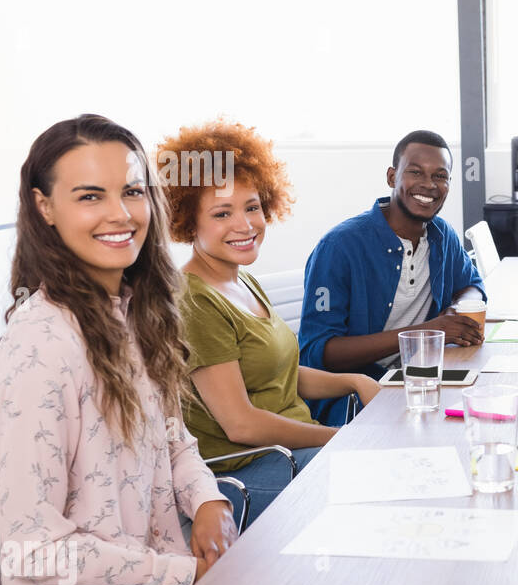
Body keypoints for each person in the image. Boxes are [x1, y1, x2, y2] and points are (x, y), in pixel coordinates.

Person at [0, 114, 236, 585]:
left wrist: (207, 500)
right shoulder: (39, 345)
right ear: (44, 207)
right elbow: (33, 546)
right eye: (89, 196)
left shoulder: (130, 311)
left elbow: (171, 436)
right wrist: (181, 576)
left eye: (131, 191)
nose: (121, 215)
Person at [159, 119, 380, 528]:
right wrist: (338, 439)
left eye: (252, 207)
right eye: (222, 213)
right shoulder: (194, 300)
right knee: (388, 480)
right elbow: (240, 424)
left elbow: (283, 376)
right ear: (189, 221)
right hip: (244, 476)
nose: (245, 225)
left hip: (291, 453)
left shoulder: (241, 279)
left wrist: (355, 381)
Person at [298, 129, 484, 426]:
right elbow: (319, 353)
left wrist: (460, 309)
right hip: (354, 399)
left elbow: (471, 285)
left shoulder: (442, 235)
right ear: (391, 177)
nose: (428, 184)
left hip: (417, 380)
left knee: (482, 413)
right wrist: (429, 332)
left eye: (440, 176)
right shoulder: (340, 247)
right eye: (415, 172)